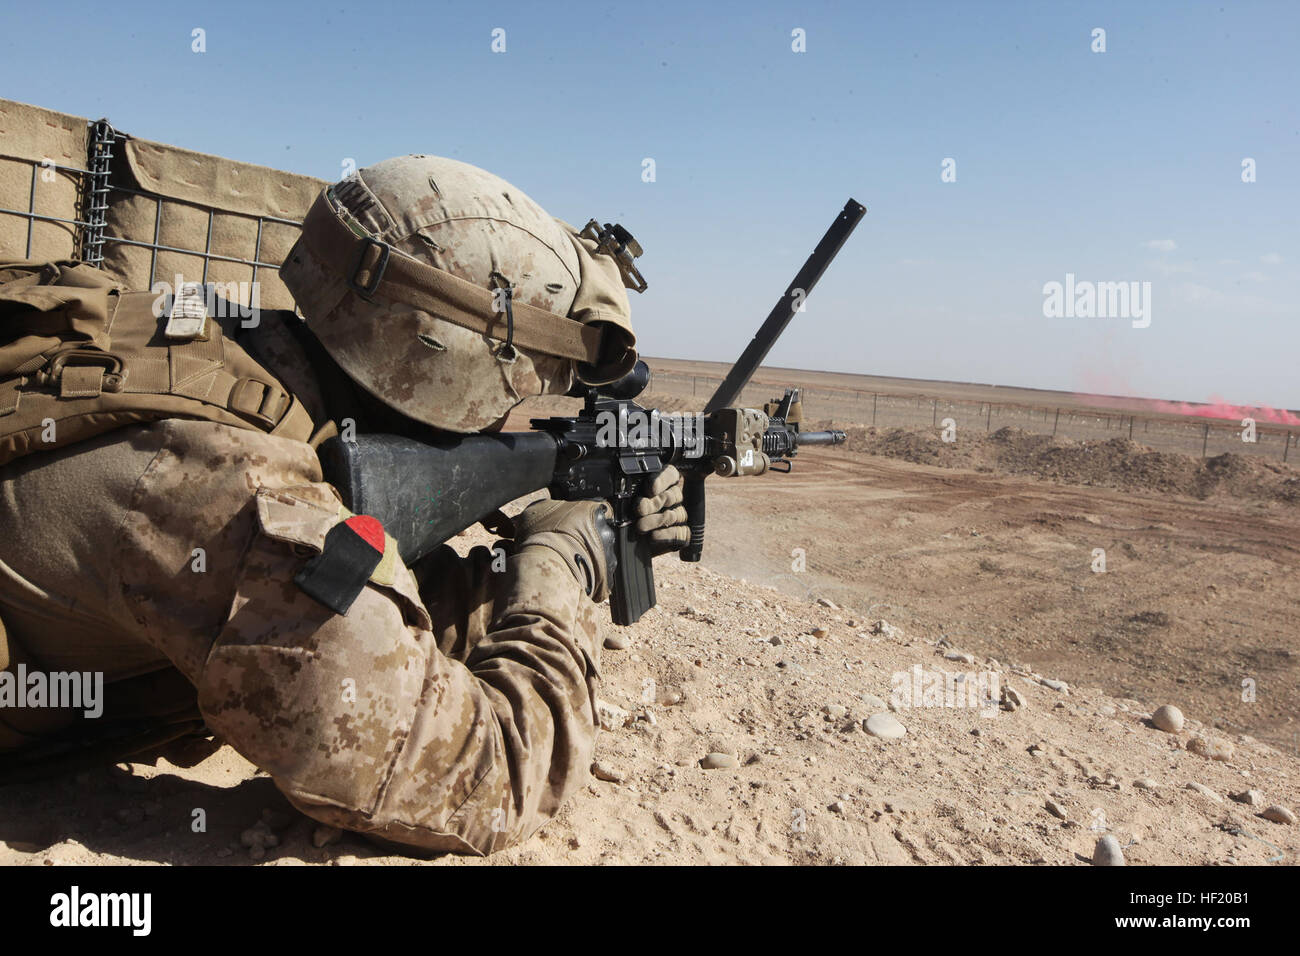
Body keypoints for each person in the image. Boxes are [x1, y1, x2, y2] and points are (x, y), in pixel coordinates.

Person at [0, 155, 688, 855]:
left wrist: (557, 552)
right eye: (517, 397)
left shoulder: (219, 345)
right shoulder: (240, 503)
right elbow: (493, 781)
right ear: (453, 367)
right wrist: (558, 565)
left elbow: (389, 618)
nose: (509, 421)